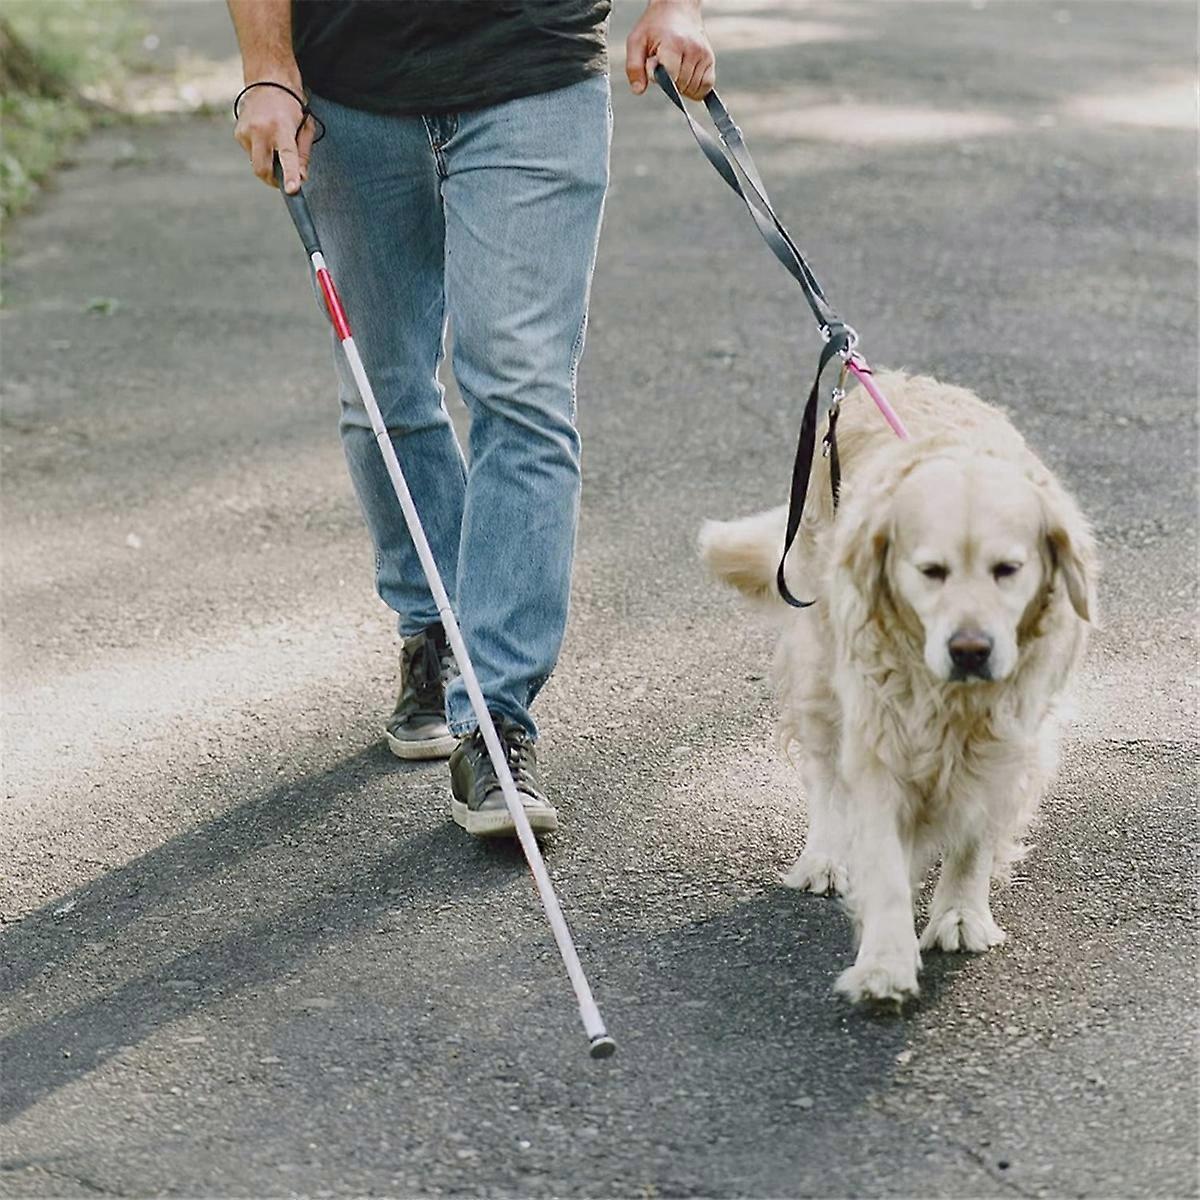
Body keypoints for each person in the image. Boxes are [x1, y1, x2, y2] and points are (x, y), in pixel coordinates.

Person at [228, 0, 715, 837]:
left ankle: (495, 720)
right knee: (384, 390)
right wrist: (269, 70)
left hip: (533, 71)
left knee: (522, 386)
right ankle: (433, 621)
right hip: (350, 92)